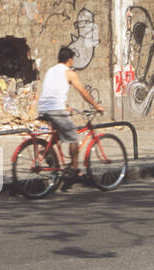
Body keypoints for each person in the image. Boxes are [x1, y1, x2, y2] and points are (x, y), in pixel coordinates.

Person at [36, 45, 106, 185]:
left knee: (58, 133)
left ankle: (47, 152)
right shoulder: (69, 73)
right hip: (55, 110)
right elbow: (83, 92)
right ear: (70, 59)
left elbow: (53, 91)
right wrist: (96, 106)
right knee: (73, 134)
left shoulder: (51, 70)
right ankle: (75, 170)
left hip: (43, 109)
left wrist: (65, 106)